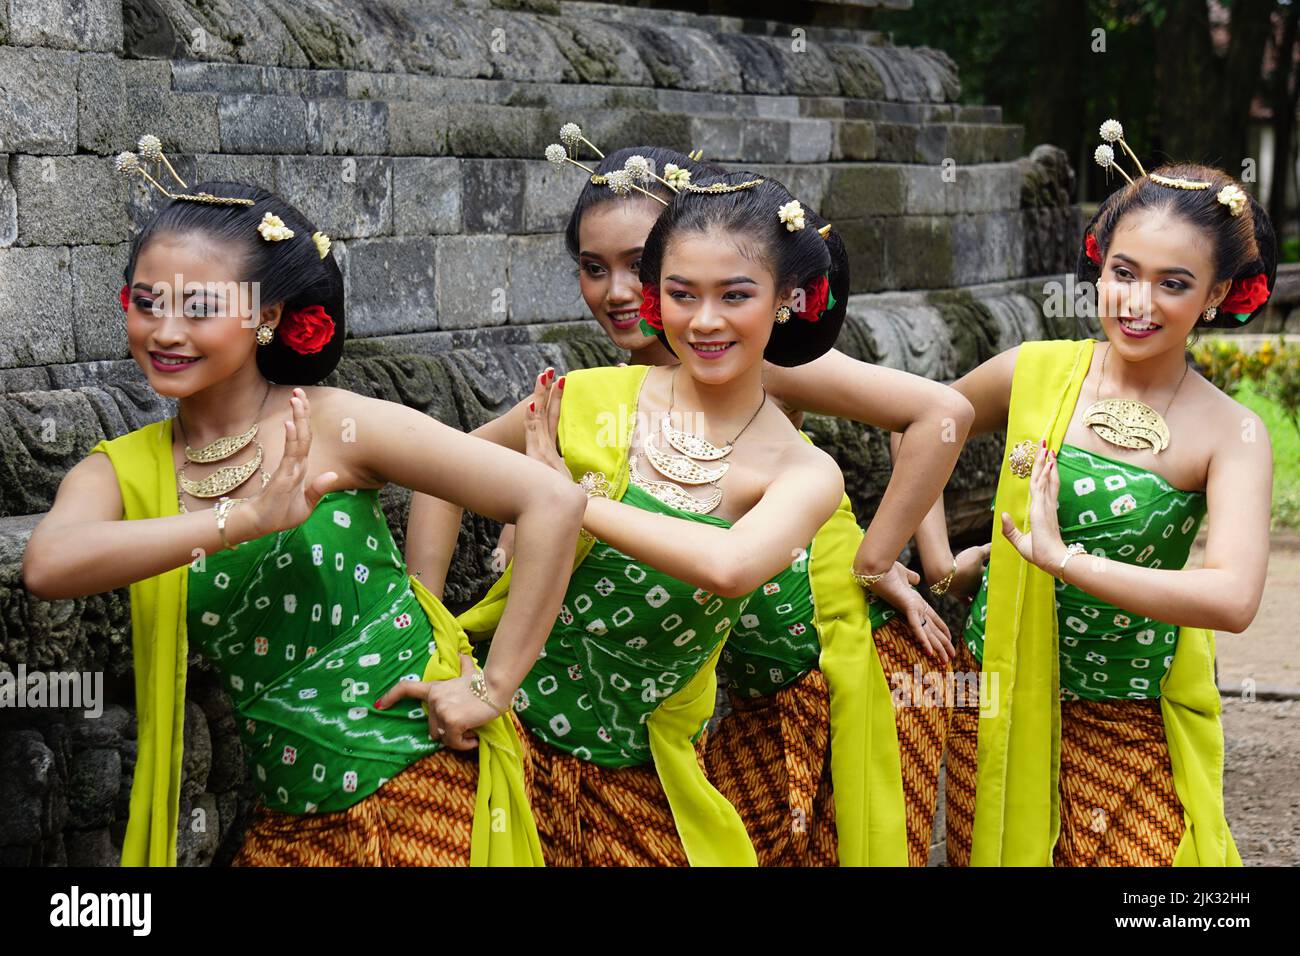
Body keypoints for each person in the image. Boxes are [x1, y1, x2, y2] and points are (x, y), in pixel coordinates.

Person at [409, 135, 974, 865]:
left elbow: (933, 420)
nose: (703, 318)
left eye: (735, 294)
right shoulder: (585, 400)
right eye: (676, 290)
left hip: (810, 677)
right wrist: (434, 634)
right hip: (536, 737)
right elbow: (432, 462)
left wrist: (882, 561)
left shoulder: (788, 431)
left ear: (782, 301)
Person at [21, 138, 586, 867]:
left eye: (199, 308)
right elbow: (48, 564)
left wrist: (492, 685)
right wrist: (245, 521)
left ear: (267, 316)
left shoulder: (331, 423)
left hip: (422, 784)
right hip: (290, 815)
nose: (164, 331)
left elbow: (552, 501)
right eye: (148, 303)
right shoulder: (124, 470)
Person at [910, 122, 1274, 866]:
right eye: (1122, 272)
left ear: (1217, 294)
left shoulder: (1230, 432)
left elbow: (1233, 598)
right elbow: (923, 424)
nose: (1137, 303)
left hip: (1128, 714)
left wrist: (1062, 559)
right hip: (999, 693)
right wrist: (938, 561)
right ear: (1098, 269)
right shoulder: (1035, 370)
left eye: (1173, 283)